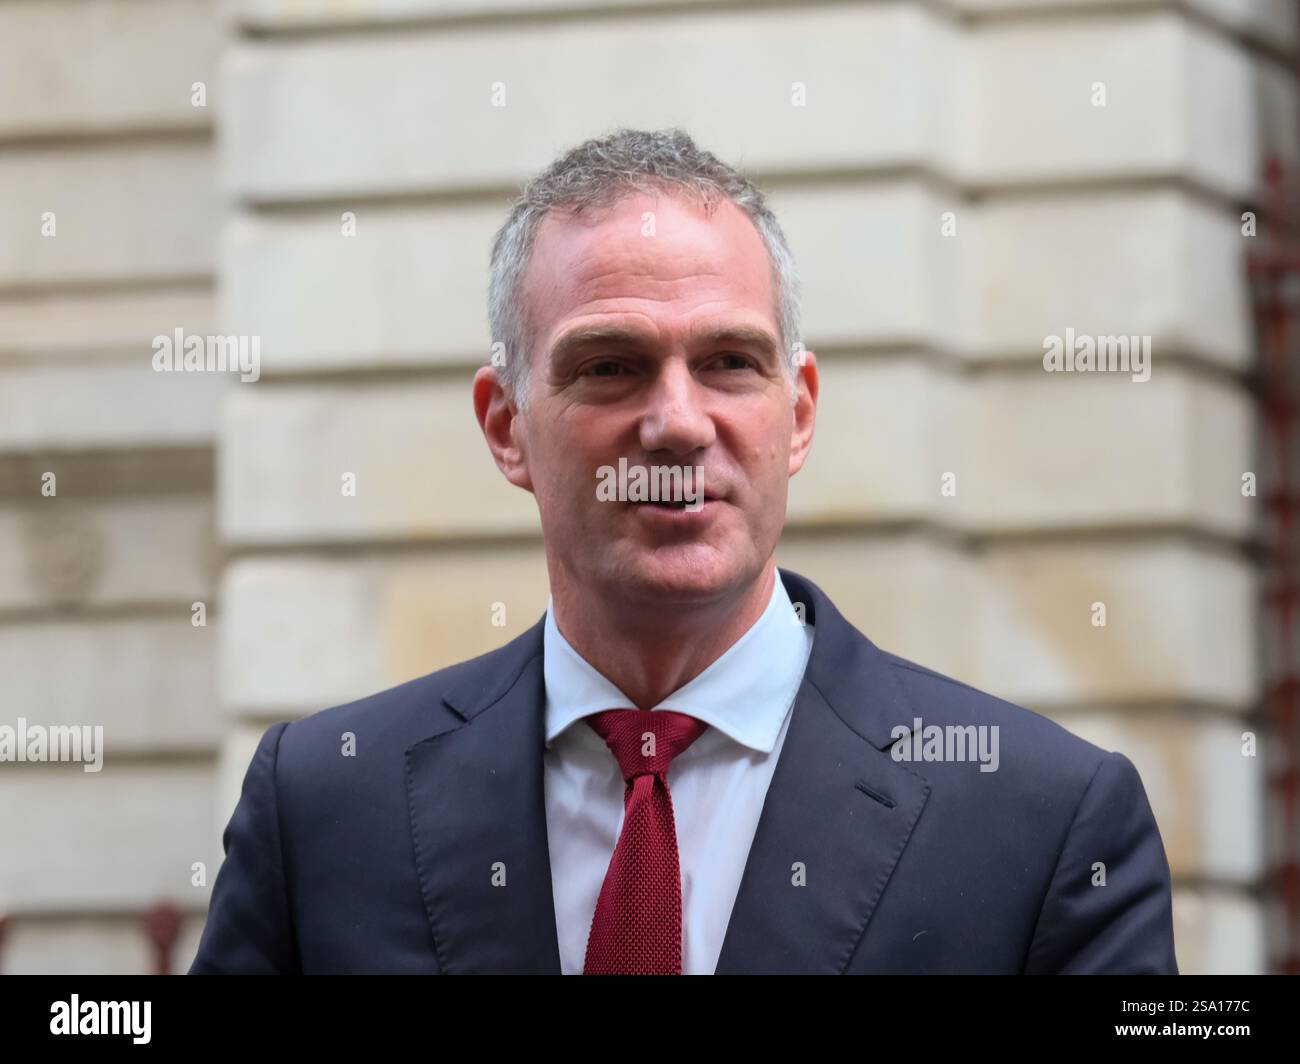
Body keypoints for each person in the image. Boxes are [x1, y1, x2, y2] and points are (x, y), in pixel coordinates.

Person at [190, 127, 1178, 974]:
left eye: (728, 363)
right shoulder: (322, 804)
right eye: (610, 365)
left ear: (798, 414)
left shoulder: (1045, 820)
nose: (675, 421)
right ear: (505, 426)